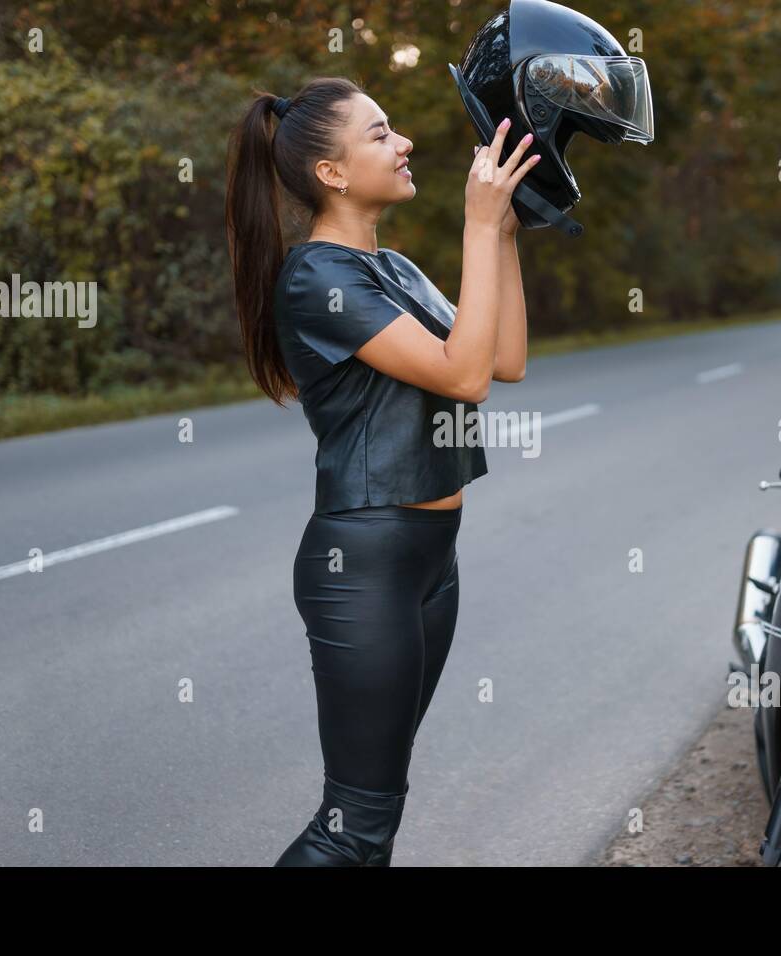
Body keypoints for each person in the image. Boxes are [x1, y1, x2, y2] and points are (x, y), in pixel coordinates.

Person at [224, 76, 538, 865]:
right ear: (330, 173)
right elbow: (460, 379)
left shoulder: (391, 268)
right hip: (363, 563)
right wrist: (474, 222)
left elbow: (503, 360)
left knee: (377, 816)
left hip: (433, 558)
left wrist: (502, 233)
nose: (402, 144)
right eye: (379, 133)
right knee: (354, 824)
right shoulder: (317, 280)